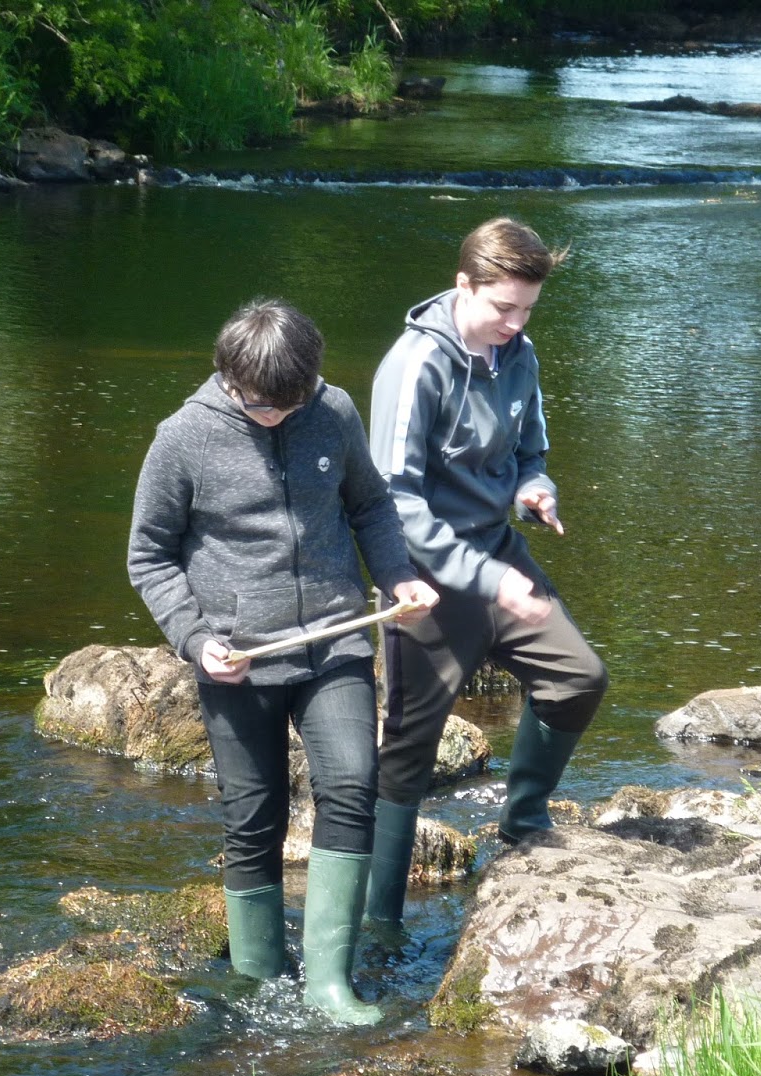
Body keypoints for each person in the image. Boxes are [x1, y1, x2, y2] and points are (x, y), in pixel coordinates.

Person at [128, 299, 438, 1025]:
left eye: (291, 402)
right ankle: (257, 973)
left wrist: (397, 576)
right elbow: (149, 555)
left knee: (353, 784)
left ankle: (330, 984)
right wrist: (196, 639)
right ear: (229, 378)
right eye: (263, 405)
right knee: (253, 817)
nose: (277, 416)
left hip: (334, 638)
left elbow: (370, 507)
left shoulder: (333, 411)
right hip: (236, 656)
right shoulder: (183, 439)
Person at [365, 216, 608, 927]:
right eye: (503, 307)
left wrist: (536, 493)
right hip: (424, 578)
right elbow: (394, 502)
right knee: (407, 752)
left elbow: (529, 452)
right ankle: (380, 925)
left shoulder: (519, 355)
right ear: (462, 284)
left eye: (527, 309)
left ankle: (523, 822)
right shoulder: (415, 366)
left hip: (497, 553)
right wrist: (485, 577)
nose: (515, 322)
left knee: (576, 678)